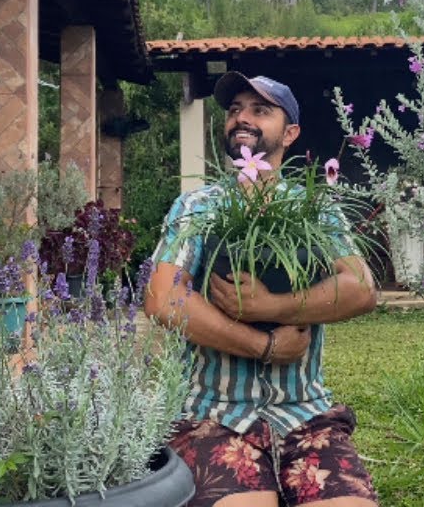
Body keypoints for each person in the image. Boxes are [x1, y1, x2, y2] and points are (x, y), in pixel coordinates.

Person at [145, 72, 380, 507]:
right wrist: (264, 344)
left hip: (305, 411)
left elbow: (362, 289)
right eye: (234, 110)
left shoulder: (315, 209)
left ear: (290, 133)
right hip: (211, 413)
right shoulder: (197, 206)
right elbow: (163, 298)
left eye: (260, 109)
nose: (241, 118)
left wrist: (272, 304)